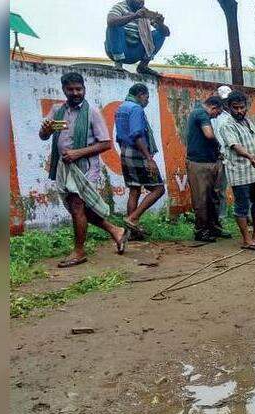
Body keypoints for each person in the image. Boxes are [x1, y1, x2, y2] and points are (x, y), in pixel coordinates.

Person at [39, 72, 127, 267]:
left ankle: (79, 252)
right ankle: (115, 230)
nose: (76, 92)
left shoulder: (92, 112)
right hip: (64, 167)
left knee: (77, 207)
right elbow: (44, 136)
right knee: (77, 208)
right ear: (64, 90)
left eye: (79, 89)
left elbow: (105, 144)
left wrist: (78, 153)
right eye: (71, 89)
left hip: (85, 168)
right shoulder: (57, 110)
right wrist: (45, 129)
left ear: (84, 89)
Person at [219, 90, 255, 250]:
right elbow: (235, 146)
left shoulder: (248, 122)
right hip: (240, 173)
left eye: (242, 107)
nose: (239, 111)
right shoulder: (227, 126)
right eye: (235, 108)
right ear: (229, 108)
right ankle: (247, 240)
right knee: (242, 206)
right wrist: (250, 157)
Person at [115, 83, 166, 239]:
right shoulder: (136, 109)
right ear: (141, 94)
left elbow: (120, 134)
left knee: (135, 190)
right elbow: (137, 134)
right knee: (158, 189)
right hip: (138, 151)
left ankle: (131, 233)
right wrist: (148, 158)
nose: (147, 101)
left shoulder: (121, 107)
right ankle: (133, 218)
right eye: (147, 97)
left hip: (125, 151)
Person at [184, 95, 232, 242]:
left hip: (209, 162)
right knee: (201, 199)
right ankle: (201, 230)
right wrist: (217, 145)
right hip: (199, 163)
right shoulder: (201, 113)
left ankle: (213, 227)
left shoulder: (200, 114)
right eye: (217, 113)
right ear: (213, 107)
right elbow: (209, 134)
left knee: (213, 198)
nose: (216, 116)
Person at [105, 0, 170, 76]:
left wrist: (161, 24)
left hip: (135, 52)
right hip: (117, 49)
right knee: (114, 25)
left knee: (160, 33)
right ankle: (118, 64)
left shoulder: (145, 12)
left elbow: (166, 33)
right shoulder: (120, 7)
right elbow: (110, 21)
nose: (141, 2)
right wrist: (135, 16)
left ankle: (143, 66)